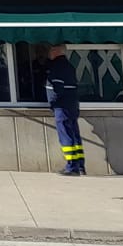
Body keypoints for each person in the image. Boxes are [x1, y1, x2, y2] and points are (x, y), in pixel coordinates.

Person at [46, 44, 85, 175]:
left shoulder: (57, 66)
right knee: (74, 133)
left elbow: (57, 88)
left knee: (66, 135)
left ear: (56, 51)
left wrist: (53, 103)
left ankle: (71, 167)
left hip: (62, 106)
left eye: (51, 50)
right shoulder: (69, 66)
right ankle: (80, 165)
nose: (49, 53)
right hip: (72, 104)